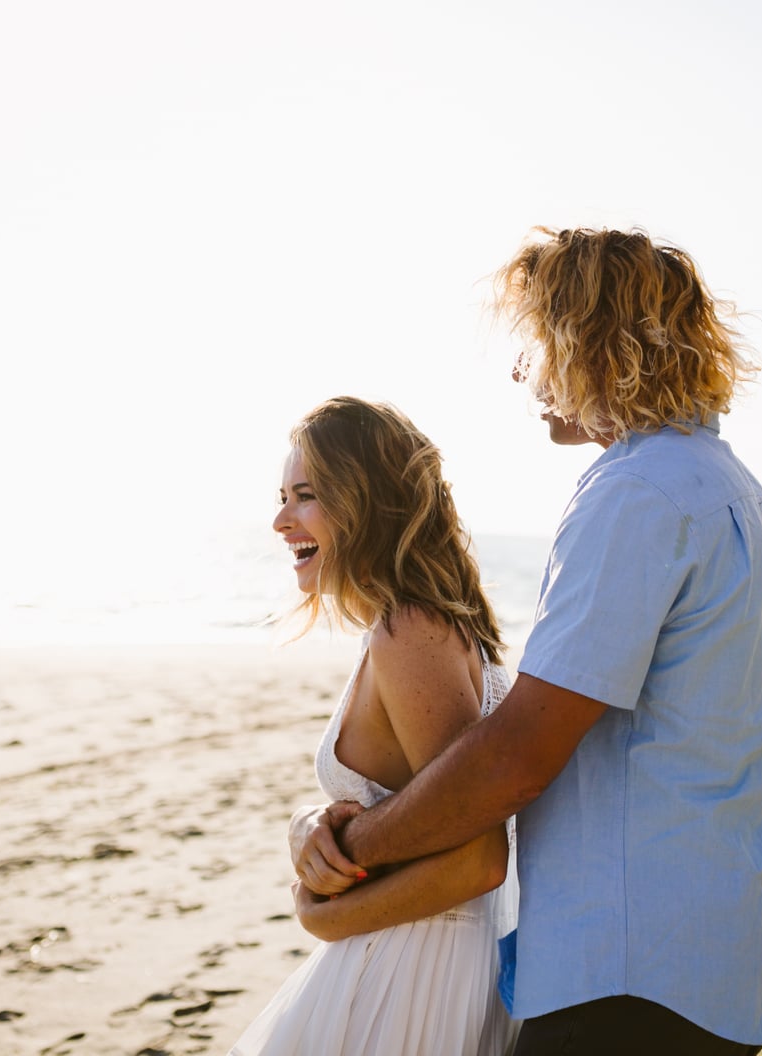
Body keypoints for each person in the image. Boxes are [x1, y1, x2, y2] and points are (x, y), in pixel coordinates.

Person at [295, 228, 762, 1055]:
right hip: (730, 943)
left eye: (535, 343)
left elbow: (518, 754)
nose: (523, 371)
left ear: (590, 344)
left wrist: (350, 847)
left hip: (636, 962)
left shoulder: (636, 491)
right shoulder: (729, 487)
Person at [229, 397, 519, 1056]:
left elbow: (478, 858)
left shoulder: (410, 630)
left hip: (411, 972)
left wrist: (322, 915)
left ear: (366, 503)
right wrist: (311, 819)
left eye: (305, 496)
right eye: (282, 496)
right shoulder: (422, 625)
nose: (280, 520)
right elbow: (412, 801)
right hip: (421, 960)